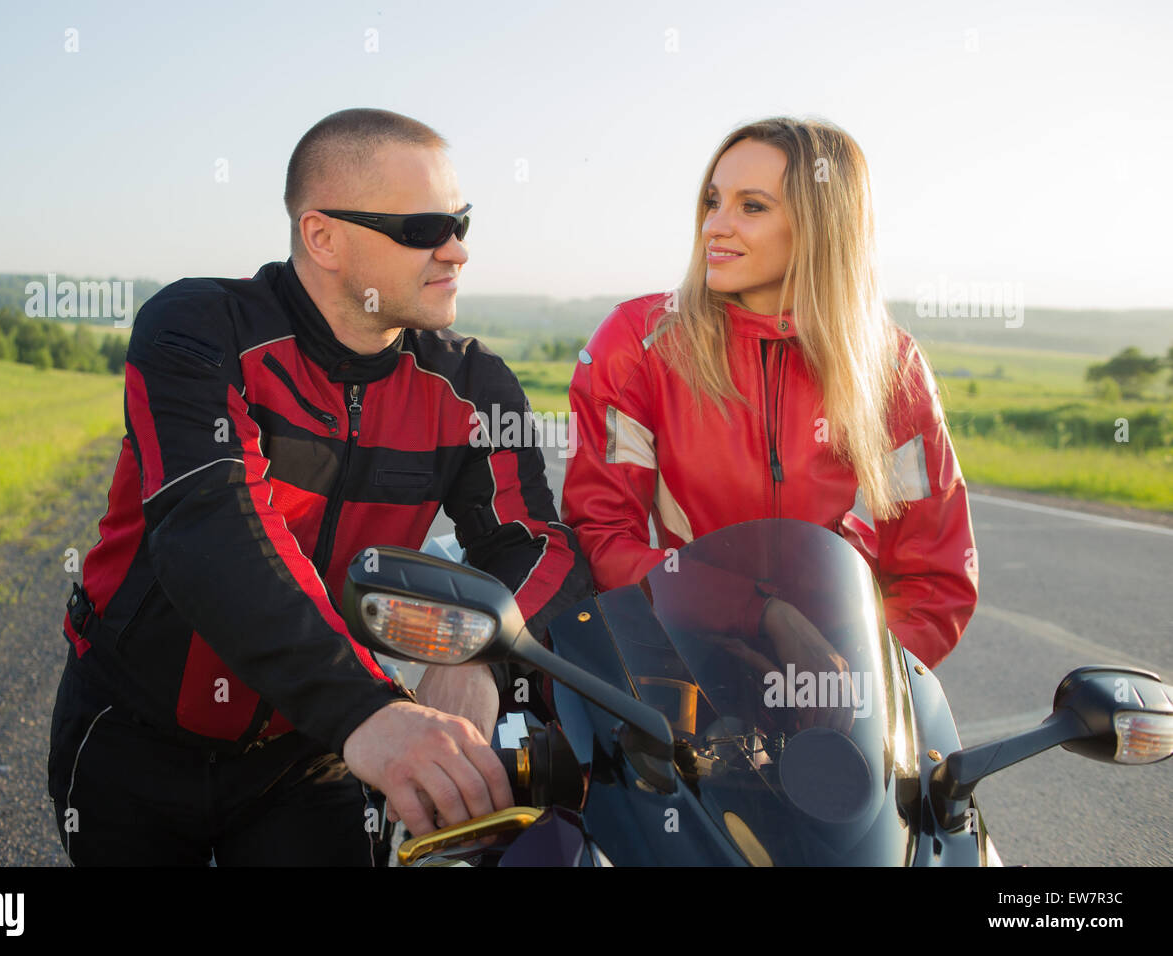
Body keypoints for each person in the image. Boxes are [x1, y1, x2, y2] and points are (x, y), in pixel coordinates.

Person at [48, 108, 591, 866]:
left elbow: (538, 546)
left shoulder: (473, 386)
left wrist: (473, 647)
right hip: (136, 728)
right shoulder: (197, 330)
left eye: (461, 220)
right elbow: (214, 530)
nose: (457, 249)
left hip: (309, 752)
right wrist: (372, 709)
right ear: (323, 237)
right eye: (425, 227)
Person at [560, 116, 977, 669]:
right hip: (682, 656)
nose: (714, 226)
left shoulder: (888, 365)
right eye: (713, 201)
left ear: (822, 225)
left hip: (837, 671)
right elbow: (604, 539)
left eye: (751, 206)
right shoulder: (637, 343)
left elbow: (934, 577)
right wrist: (758, 616)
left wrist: (860, 675)